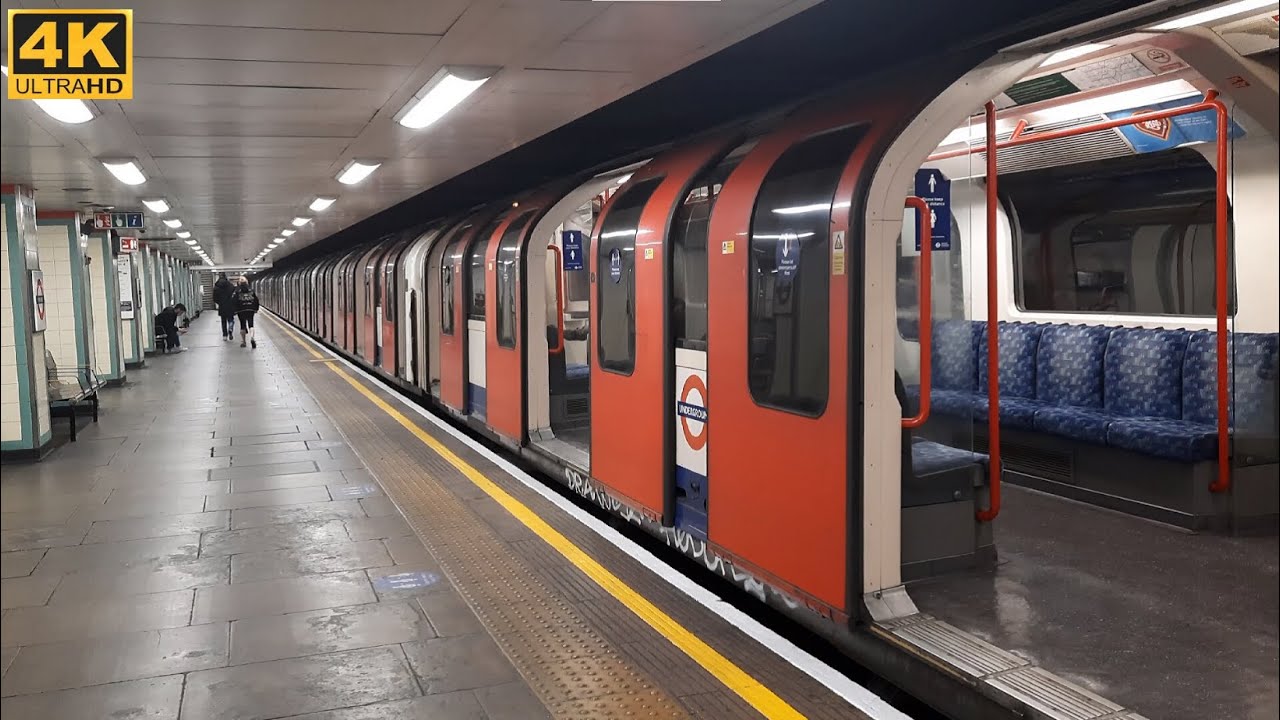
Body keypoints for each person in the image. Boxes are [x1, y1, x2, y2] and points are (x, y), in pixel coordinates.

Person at [233, 278, 260, 349]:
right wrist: (256, 309)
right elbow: (256, 300)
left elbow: (234, 300)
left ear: (239, 283)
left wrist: (235, 310)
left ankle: (243, 341)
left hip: (241, 310)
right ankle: (252, 337)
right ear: (247, 282)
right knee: (251, 325)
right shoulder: (251, 290)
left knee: (242, 325)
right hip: (250, 309)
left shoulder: (237, 291)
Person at [213, 272, 235, 340]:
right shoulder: (231, 285)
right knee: (231, 319)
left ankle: (224, 336)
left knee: (223, 321)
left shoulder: (216, 287)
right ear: (225, 277)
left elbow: (214, 298)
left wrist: (219, 303)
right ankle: (230, 328)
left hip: (222, 306)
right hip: (230, 305)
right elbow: (234, 295)